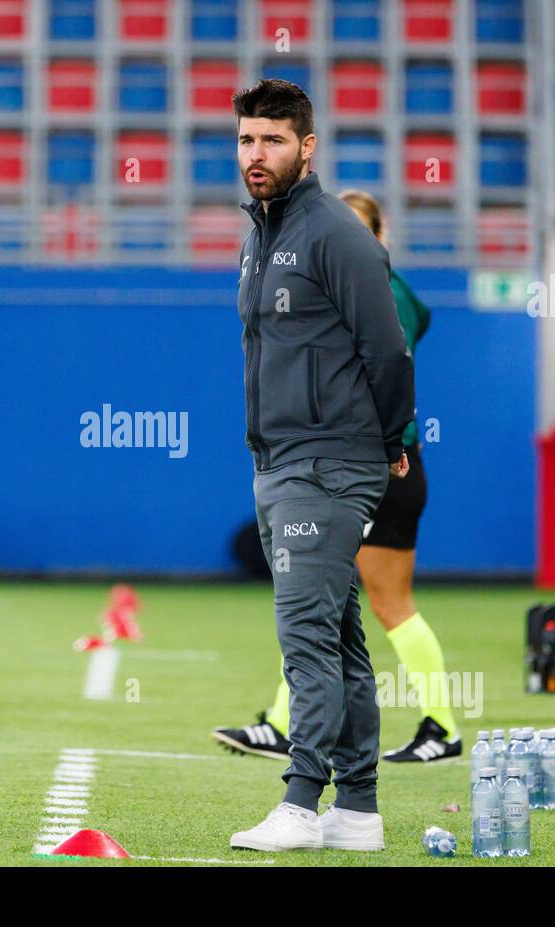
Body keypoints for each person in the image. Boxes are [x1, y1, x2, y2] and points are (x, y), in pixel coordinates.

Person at [227, 79, 415, 854]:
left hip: (330, 461)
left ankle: (301, 801)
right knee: (339, 635)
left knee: (303, 630)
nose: (255, 155)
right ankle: (359, 807)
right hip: (282, 459)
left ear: (307, 147)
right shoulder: (259, 233)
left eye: (271, 140)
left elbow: (389, 344)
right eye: (245, 140)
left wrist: (391, 435)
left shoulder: (337, 232)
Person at [213, 188, 462, 765]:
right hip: (377, 459)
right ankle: (285, 722)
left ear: (376, 237)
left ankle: (441, 726)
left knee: (379, 601)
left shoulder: (378, 287)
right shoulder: (366, 285)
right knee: (324, 593)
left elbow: (387, 360)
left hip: (377, 462)